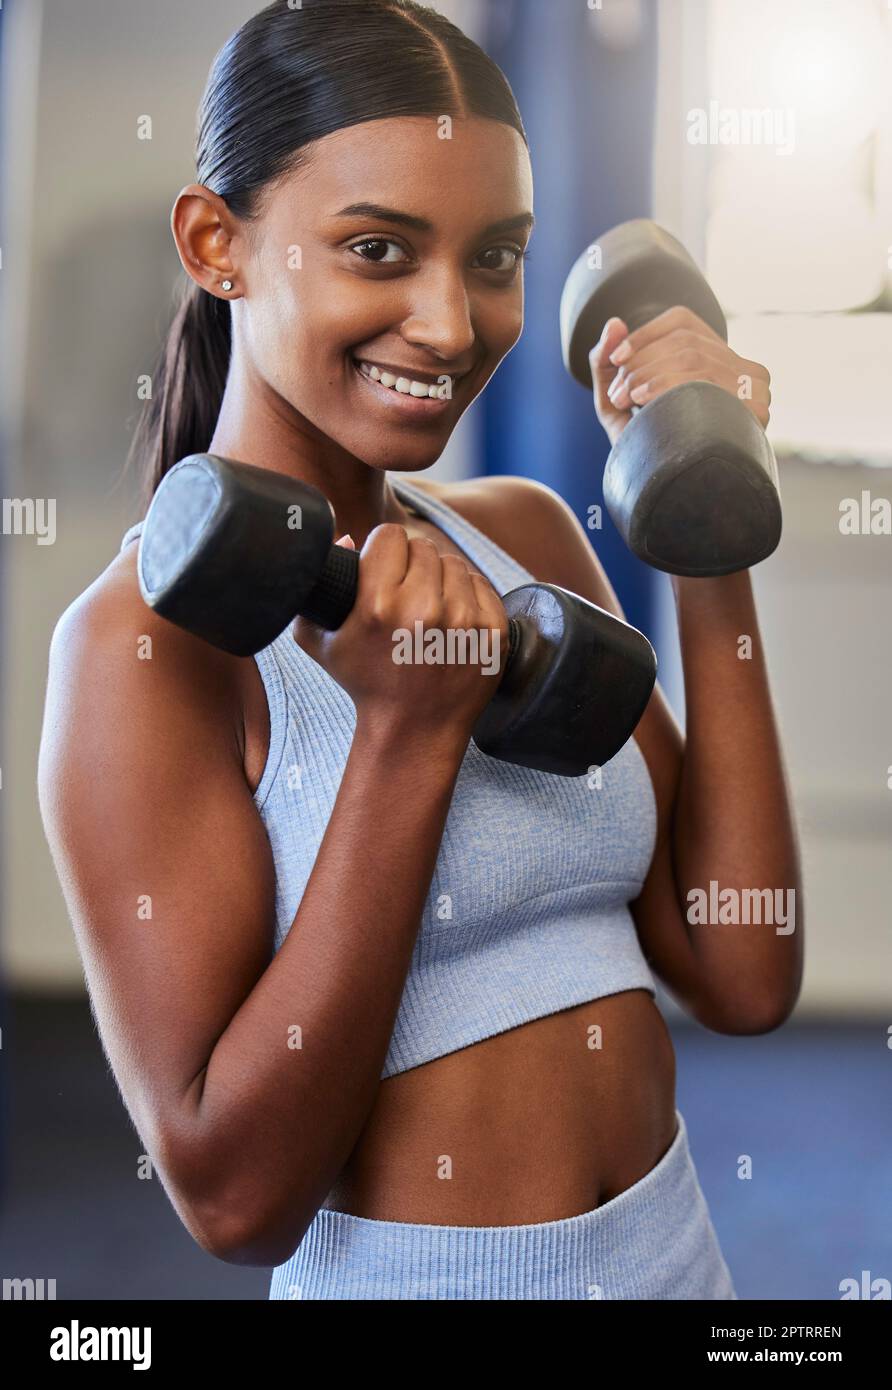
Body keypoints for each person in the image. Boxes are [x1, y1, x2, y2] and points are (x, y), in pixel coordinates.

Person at [38, 0, 802, 1300]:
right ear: (217, 242)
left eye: (495, 256)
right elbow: (235, 1196)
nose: (451, 326)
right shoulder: (145, 648)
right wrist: (403, 738)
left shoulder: (530, 537)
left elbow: (741, 965)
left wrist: (710, 514)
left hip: (681, 1263)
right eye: (378, 248)